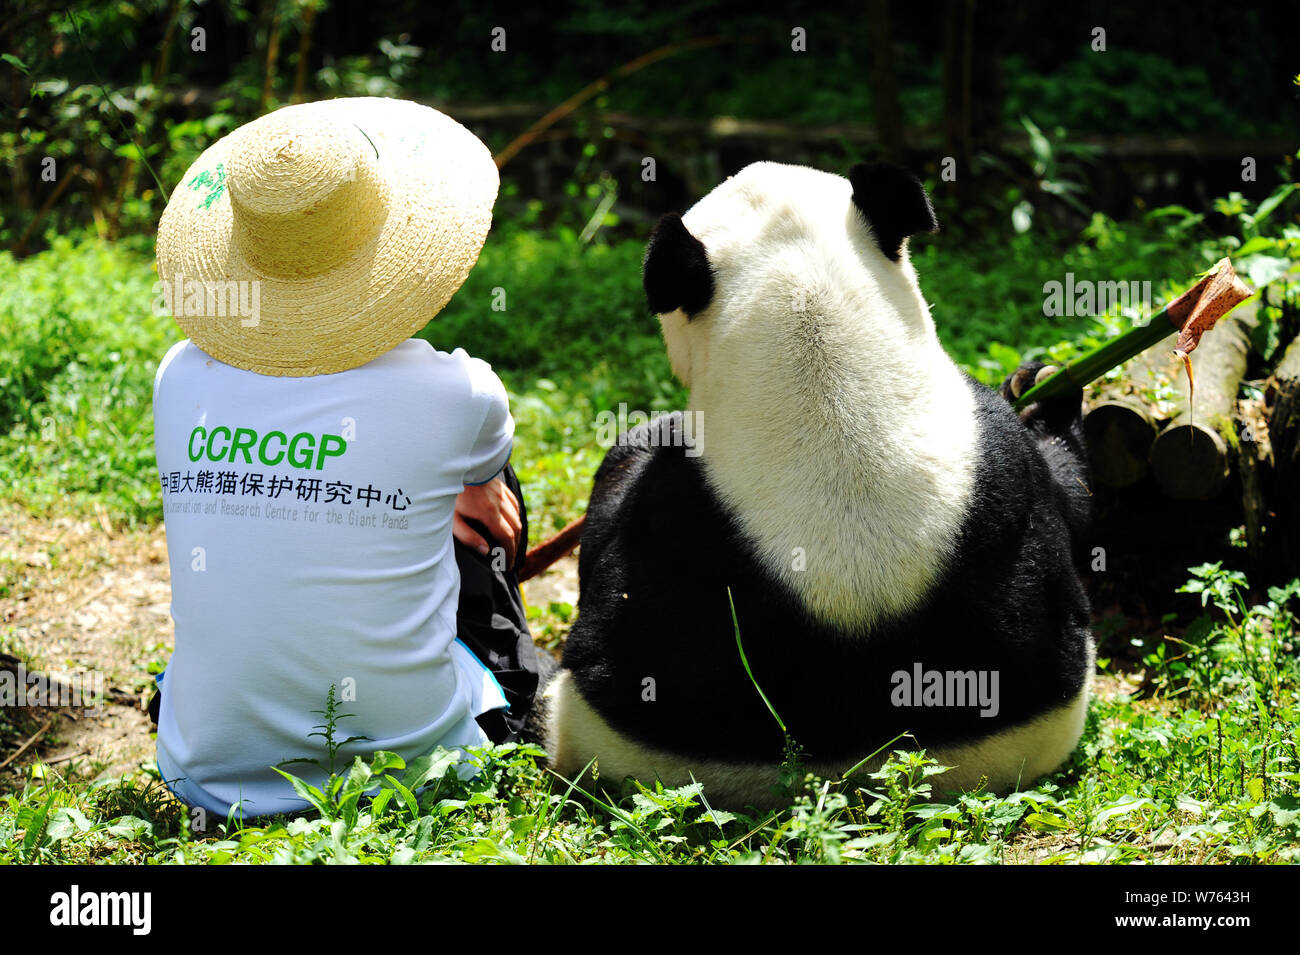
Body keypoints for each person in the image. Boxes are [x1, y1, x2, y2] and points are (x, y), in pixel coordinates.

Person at [148, 97, 543, 820]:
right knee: (484, 479)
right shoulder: (461, 390)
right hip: (422, 768)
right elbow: (485, 475)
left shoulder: (178, 375)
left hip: (204, 771)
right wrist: (460, 483)